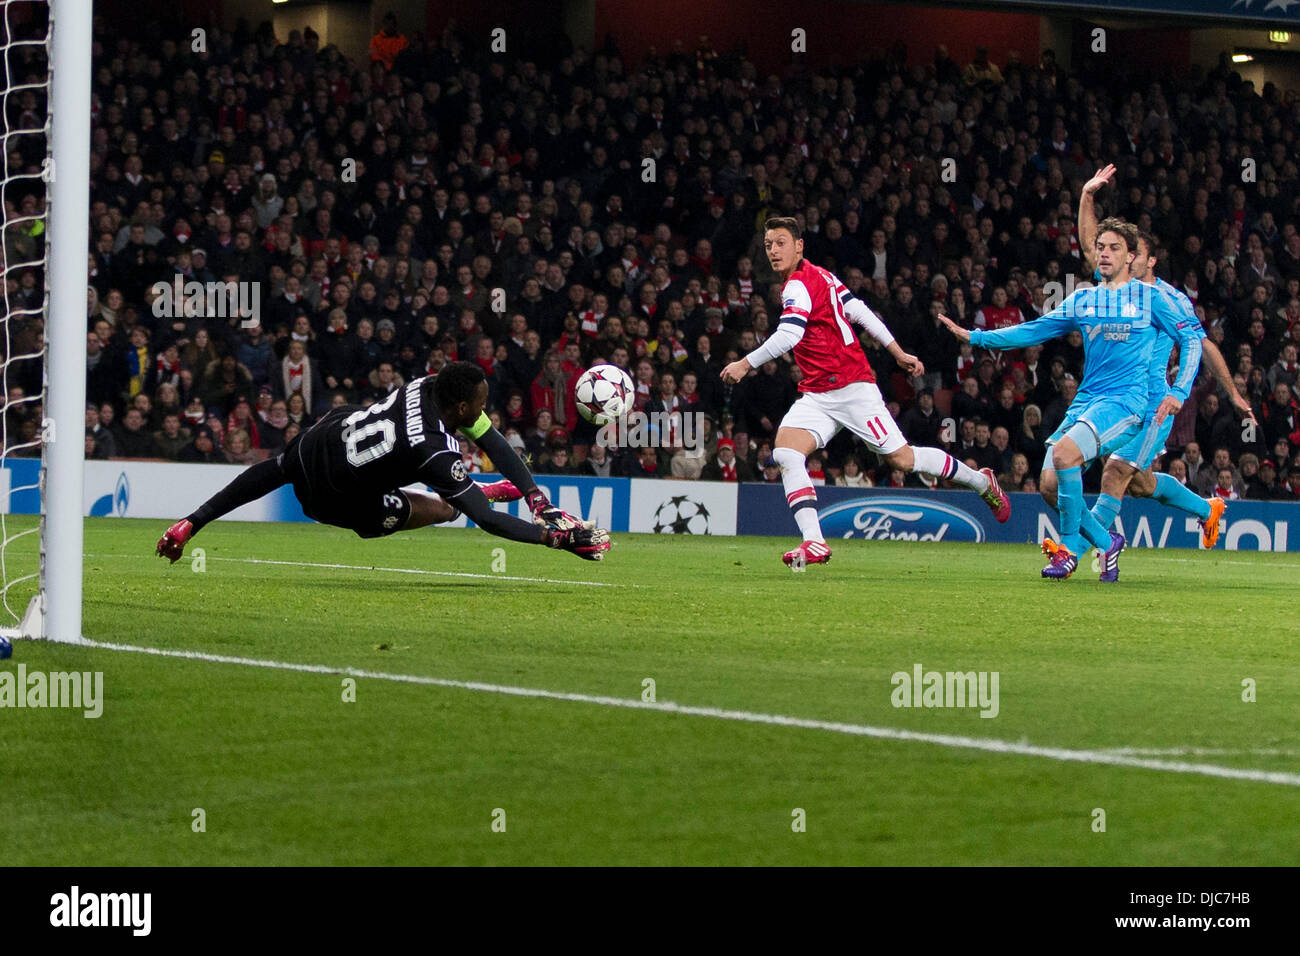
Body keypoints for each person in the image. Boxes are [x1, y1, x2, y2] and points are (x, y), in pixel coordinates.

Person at [720, 217, 1009, 568]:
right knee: (786, 453)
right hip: (817, 394)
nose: (773, 251)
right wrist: (897, 351)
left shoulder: (798, 285)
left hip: (853, 388)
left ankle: (981, 481)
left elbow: (790, 335)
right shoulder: (820, 275)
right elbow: (856, 310)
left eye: (781, 242)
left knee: (901, 459)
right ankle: (814, 542)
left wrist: (744, 363)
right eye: (768, 245)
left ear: (799, 246)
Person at [938, 217, 1201, 579]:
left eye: (1114, 248)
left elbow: (1191, 340)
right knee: (1049, 485)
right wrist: (977, 337)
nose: (1105, 254)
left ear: (1130, 258)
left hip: (1128, 403)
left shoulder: (1151, 298)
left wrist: (1179, 392)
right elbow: (1034, 330)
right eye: (1100, 247)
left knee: (1066, 456)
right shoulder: (1084, 299)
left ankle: (1066, 552)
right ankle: (1106, 543)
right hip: (1087, 401)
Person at [157, 362, 609, 562]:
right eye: (480, 403)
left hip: (325, 435)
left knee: (279, 468)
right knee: (449, 509)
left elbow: (261, 477)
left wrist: (191, 522)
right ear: (459, 407)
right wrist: (557, 540)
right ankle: (467, 491)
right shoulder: (434, 451)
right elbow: (488, 522)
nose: (485, 411)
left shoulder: (431, 383)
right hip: (339, 502)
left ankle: (469, 490)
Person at [1069, 165, 1256, 577]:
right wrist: (1087, 198)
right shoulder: (1115, 289)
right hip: (1119, 400)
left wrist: (1233, 394)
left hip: (1153, 403)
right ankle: (1207, 508)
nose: (1115, 255)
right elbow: (1088, 244)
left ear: (1145, 259)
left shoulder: (1169, 299)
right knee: (1138, 482)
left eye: (1126, 251)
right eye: (1116, 250)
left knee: (1116, 473)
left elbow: (1202, 345)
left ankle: (1075, 552)